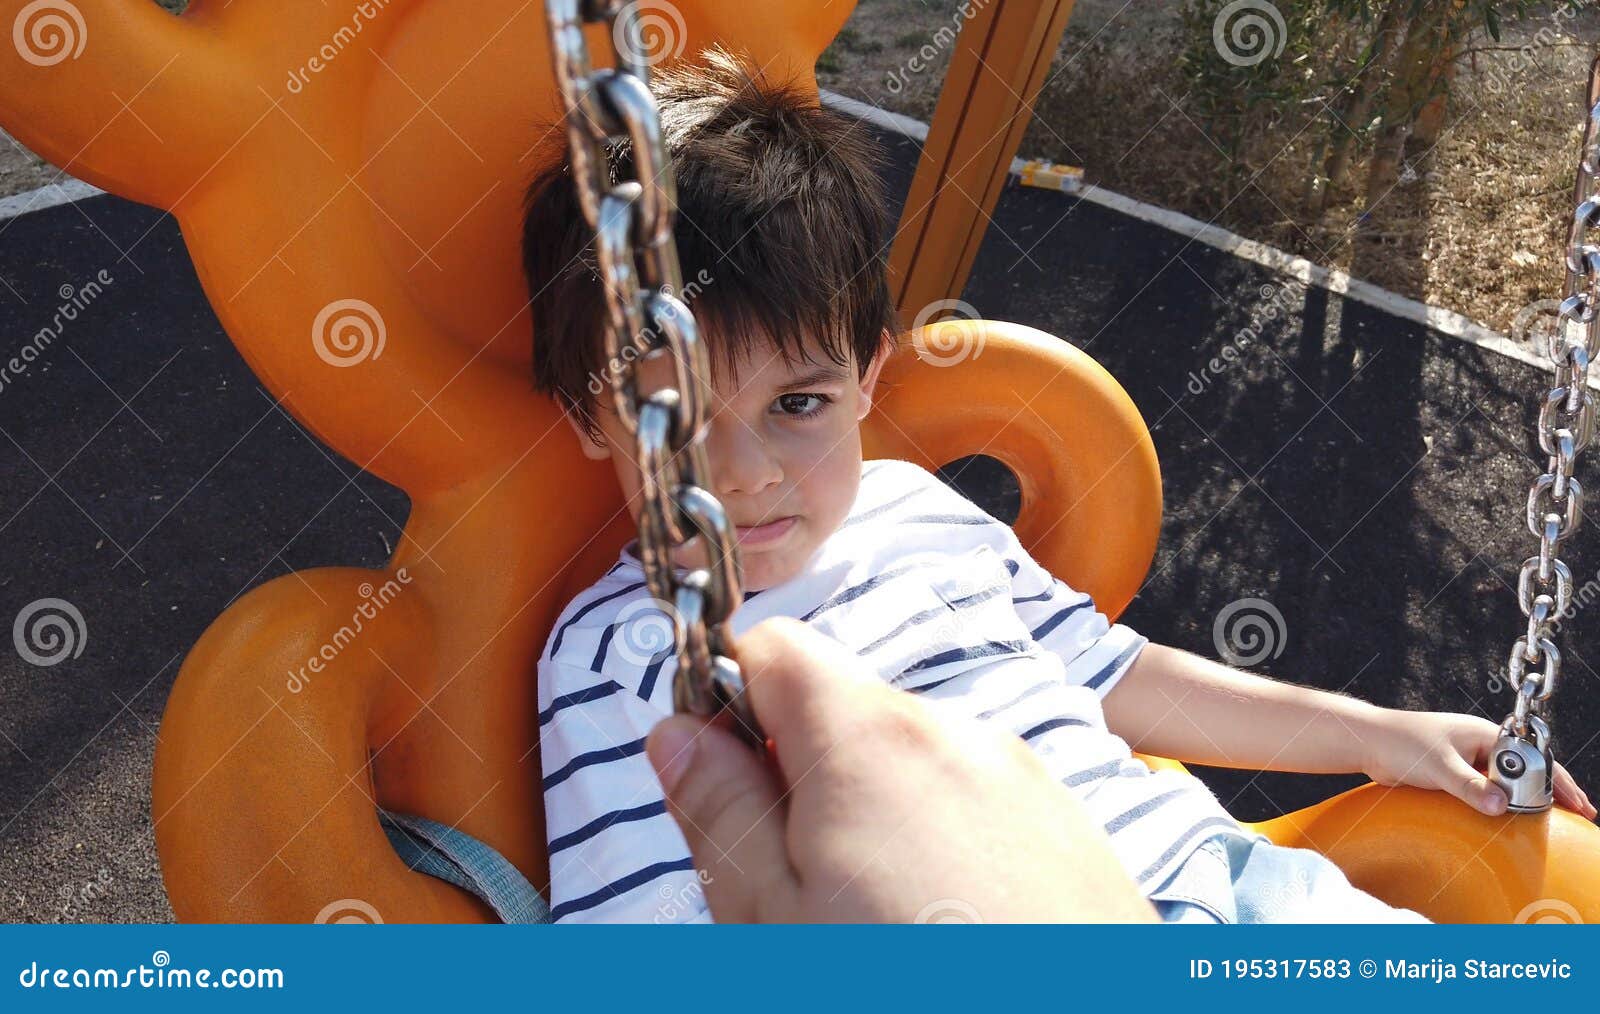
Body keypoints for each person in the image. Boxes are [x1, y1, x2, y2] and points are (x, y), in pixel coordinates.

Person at [522, 47, 1597, 924]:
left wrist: (1371, 732)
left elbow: (1118, 678)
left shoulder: (919, 513)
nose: (744, 476)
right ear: (588, 417)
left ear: (869, 379)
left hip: (1244, 894)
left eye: (796, 406)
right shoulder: (616, 656)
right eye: (675, 423)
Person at [645, 616, 1159, 923]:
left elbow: (1104, 664)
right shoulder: (606, 640)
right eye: (687, 436)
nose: (750, 475)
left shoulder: (940, 517)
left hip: (1190, 852)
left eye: (797, 422)